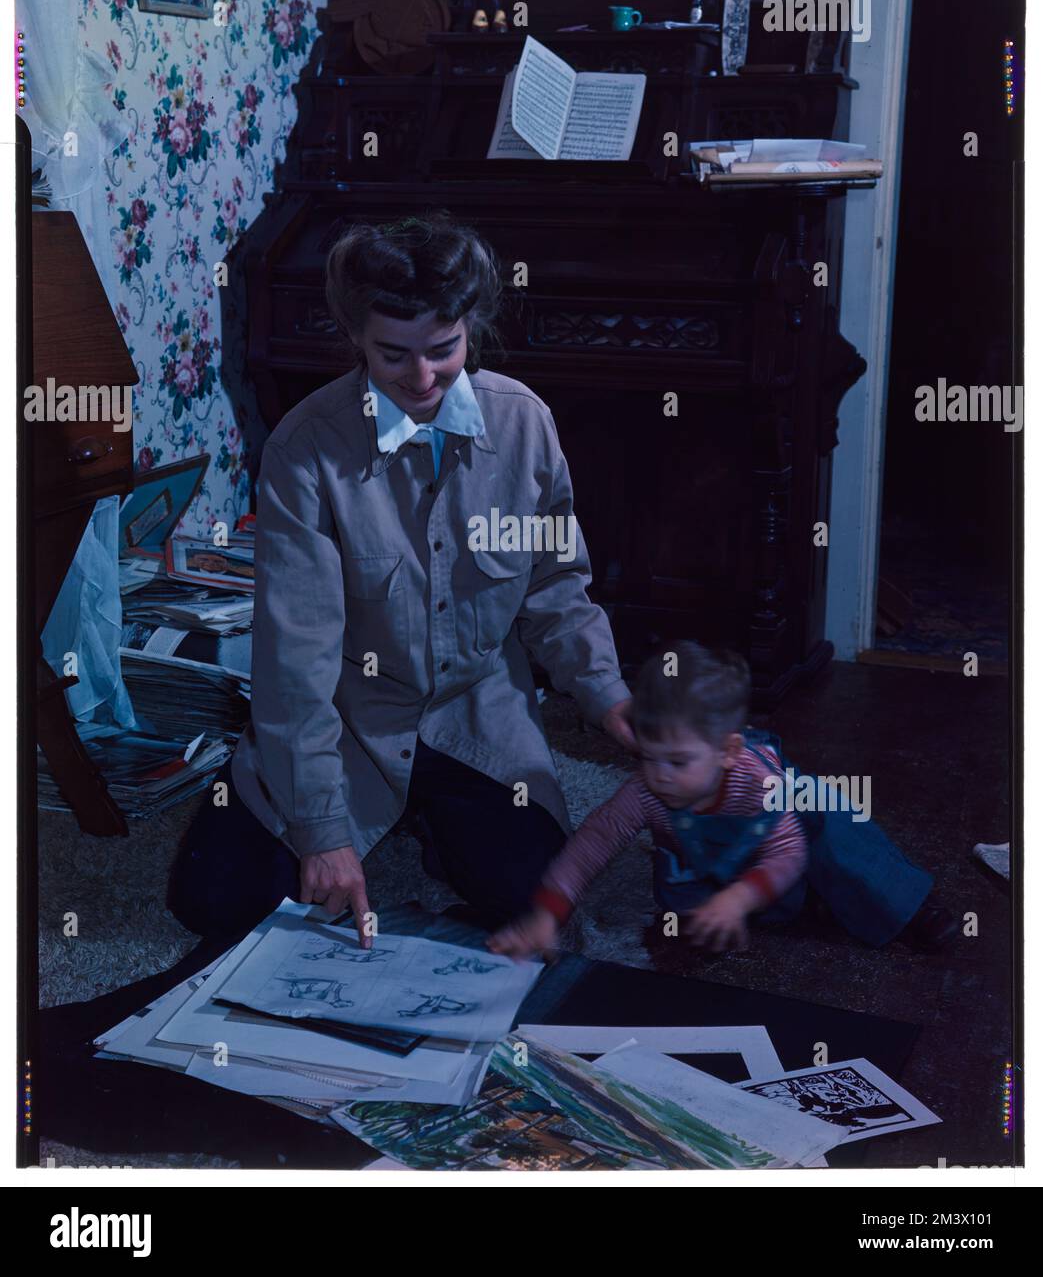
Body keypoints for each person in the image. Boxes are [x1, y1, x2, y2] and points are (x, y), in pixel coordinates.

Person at [168, 211, 635, 940]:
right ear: (353, 337)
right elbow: (297, 660)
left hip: (476, 716)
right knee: (214, 902)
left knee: (538, 907)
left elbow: (554, 588)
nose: (422, 379)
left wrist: (606, 695)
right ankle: (368, 818)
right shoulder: (304, 449)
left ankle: (442, 823)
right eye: (392, 355)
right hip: (349, 717)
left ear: (470, 326)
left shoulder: (525, 424)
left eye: (443, 351)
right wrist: (323, 831)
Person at [488, 642, 958, 959]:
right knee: (684, 912)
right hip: (714, 855)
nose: (659, 776)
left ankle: (908, 902)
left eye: (678, 762)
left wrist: (737, 898)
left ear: (728, 752)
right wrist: (548, 913)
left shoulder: (756, 781)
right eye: (648, 758)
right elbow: (590, 847)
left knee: (829, 821)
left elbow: (787, 849)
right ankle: (791, 902)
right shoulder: (646, 791)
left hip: (782, 827)